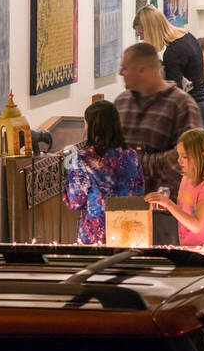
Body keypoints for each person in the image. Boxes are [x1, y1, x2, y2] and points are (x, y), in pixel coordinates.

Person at [114, 42, 203, 243]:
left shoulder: (181, 104)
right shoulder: (121, 102)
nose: (121, 73)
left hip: (165, 211)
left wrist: (136, 163)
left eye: (125, 68)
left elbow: (189, 157)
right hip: (123, 208)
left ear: (142, 70)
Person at [61, 101, 144, 245]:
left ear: (92, 127)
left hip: (95, 234)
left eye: (85, 123)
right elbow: (139, 192)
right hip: (128, 231)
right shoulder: (131, 155)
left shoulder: (83, 158)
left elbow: (74, 202)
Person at [134, 4, 204, 131]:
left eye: (141, 33)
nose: (142, 38)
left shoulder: (173, 52)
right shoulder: (186, 35)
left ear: (150, 29)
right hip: (202, 106)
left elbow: (175, 97)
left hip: (191, 113)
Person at [145, 128, 204, 247]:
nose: (178, 160)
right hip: (188, 247)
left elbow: (196, 225)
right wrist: (166, 201)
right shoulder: (185, 178)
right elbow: (184, 210)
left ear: (202, 156)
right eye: (179, 155)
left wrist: (169, 204)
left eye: (184, 156)